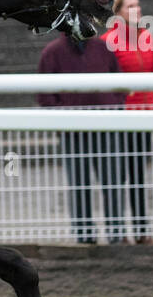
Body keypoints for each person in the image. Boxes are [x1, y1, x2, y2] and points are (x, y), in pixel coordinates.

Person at [36, 32, 127, 244]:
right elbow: (45, 95)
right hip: (73, 131)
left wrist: (114, 108)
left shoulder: (104, 48)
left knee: (112, 182)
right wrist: (64, 118)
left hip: (106, 127)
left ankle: (116, 233)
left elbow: (119, 82)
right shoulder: (52, 52)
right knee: (79, 184)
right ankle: (84, 233)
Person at [102, 0, 153, 245]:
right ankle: (117, 231)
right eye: (130, 7)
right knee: (117, 175)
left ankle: (141, 230)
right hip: (121, 118)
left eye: (138, 5)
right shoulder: (107, 42)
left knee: (137, 175)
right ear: (119, 13)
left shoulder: (147, 37)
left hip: (145, 116)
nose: (136, 10)